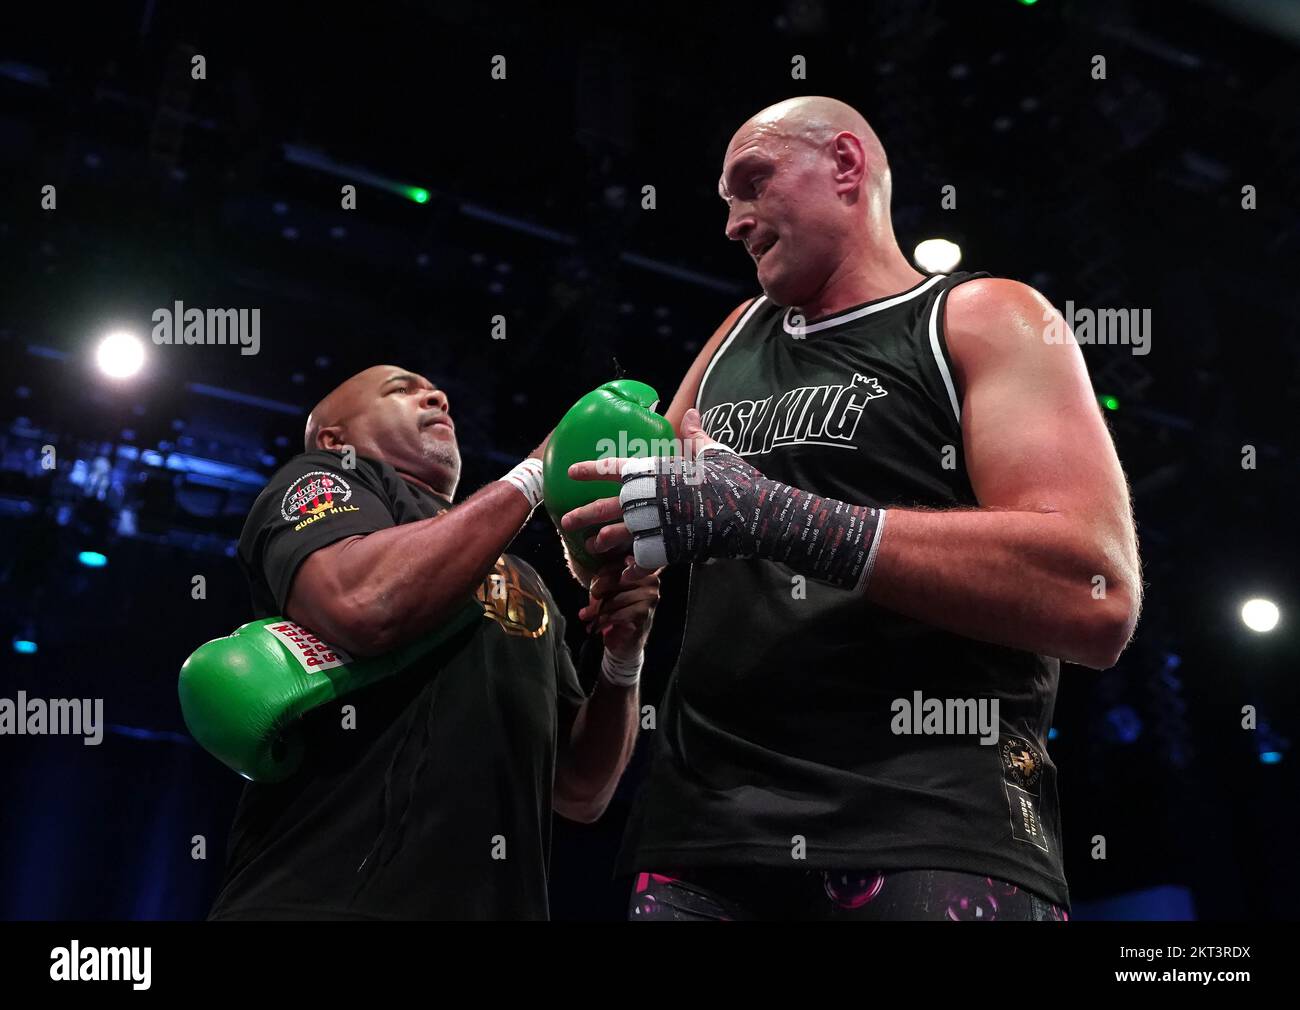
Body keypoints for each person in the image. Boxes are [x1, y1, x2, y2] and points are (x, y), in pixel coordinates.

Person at [562, 97, 1141, 921]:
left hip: (925, 825)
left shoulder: (980, 319)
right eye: (725, 201)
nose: (733, 223)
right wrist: (602, 561)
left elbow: (1096, 594)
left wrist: (780, 519)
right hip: (701, 840)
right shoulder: (733, 336)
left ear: (844, 165)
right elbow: (622, 514)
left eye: (752, 184)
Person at [207, 365, 655, 920]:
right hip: (320, 900)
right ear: (334, 437)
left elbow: (582, 791)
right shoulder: (320, 480)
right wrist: (538, 471)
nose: (437, 395)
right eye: (402, 389)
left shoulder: (523, 578)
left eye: (435, 390)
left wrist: (622, 658)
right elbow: (364, 603)